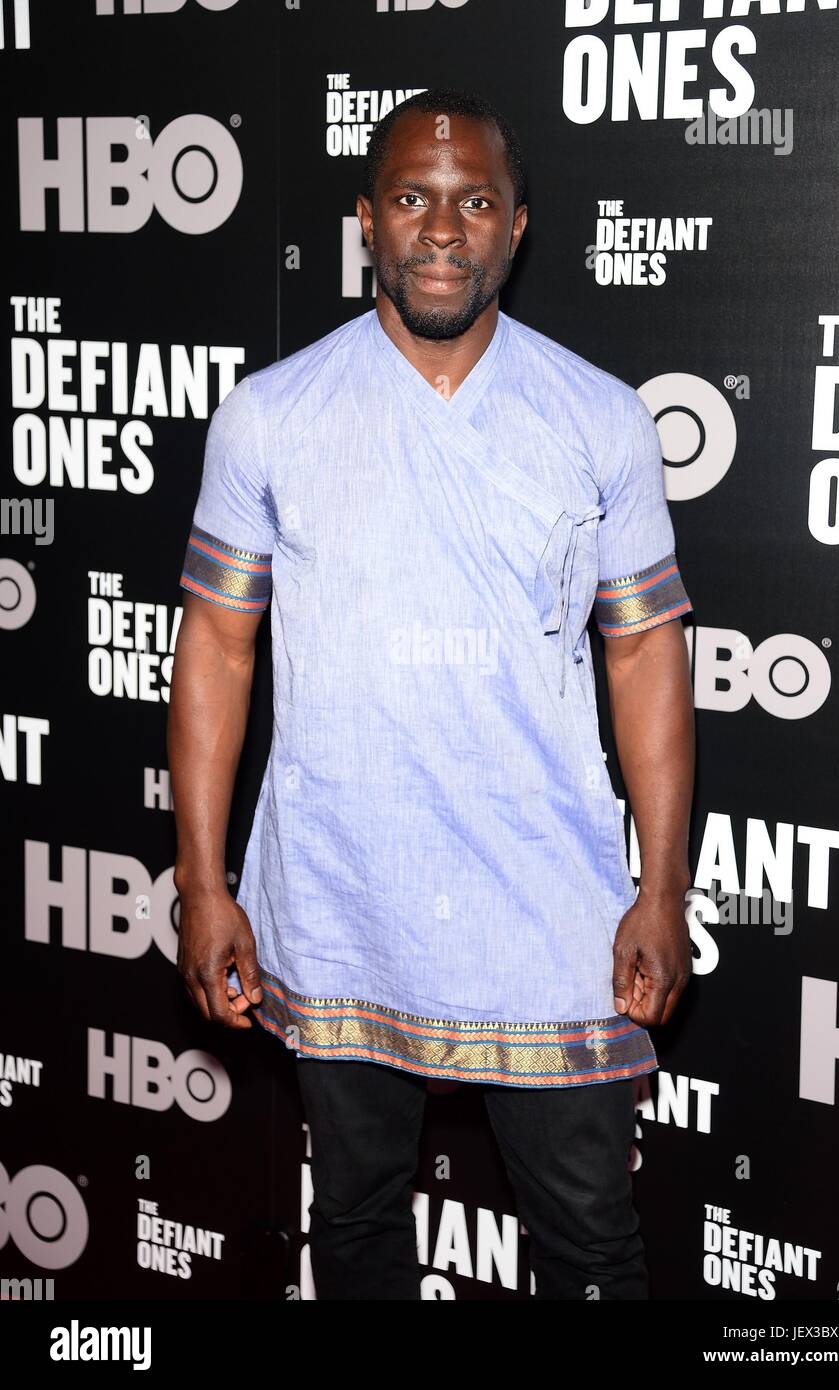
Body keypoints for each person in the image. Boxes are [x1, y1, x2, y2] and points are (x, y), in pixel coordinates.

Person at [168, 88, 696, 1301]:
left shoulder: (601, 418)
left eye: (474, 201)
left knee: (590, 1242)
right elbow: (218, 649)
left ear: (517, 227)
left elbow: (644, 655)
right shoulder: (269, 416)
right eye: (412, 196)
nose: (442, 227)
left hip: (547, 906)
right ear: (367, 220)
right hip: (345, 893)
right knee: (355, 1226)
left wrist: (661, 887)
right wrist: (203, 884)